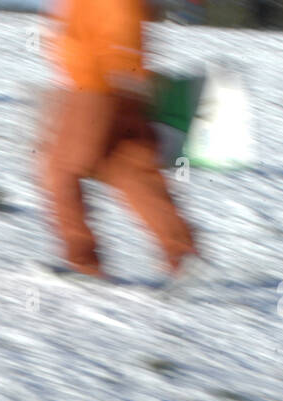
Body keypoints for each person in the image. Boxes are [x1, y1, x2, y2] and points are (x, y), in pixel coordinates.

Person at [39, 0, 197, 279]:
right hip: (111, 81)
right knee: (129, 170)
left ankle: (82, 261)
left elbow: (119, 16)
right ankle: (183, 254)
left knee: (60, 170)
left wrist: (123, 67)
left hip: (97, 84)